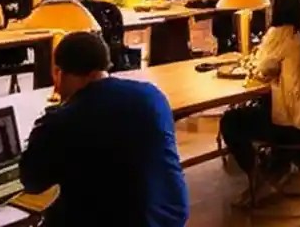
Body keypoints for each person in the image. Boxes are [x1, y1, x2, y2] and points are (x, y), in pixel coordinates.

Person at [20, 32, 188, 227]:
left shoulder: (64, 120)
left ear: (59, 73)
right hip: (170, 216)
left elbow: (31, 181)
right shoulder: (152, 95)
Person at [220, 0, 300, 200]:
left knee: (231, 121)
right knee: (268, 106)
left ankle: (259, 176)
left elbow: (262, 70)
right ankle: (279, 164)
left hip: (299, 133)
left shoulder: (281, 33)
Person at [66, 0, 136, 71]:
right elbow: (117, 41)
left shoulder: (65, 9)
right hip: (107, 64)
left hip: (72, 64)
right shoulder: (108, 9)